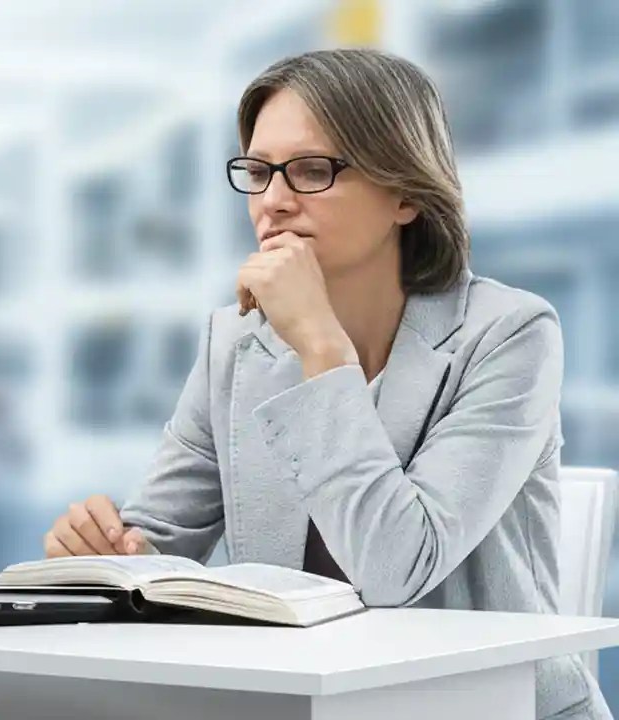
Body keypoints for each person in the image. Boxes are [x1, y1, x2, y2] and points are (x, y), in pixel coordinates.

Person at [44, 49, 610, 720]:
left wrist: (319, 343)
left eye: (312, 171)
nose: (274, 202)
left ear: (406, 193)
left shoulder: (509, 334)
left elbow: (398, 568)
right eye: (257, 173)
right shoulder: (233, 344)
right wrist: (108, 554)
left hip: (488, 709)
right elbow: (160, 544)